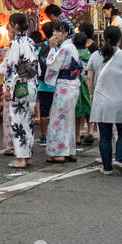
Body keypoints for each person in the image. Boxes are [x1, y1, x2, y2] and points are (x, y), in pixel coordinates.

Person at [89, 26, 122, 175]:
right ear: (119, 39)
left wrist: (91, 94)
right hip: (121, 99)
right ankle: (120, 160)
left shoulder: (95, 56)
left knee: (105, 135)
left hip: (101, 101)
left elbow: (89, 78)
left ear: (103, 39)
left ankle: (107, 167)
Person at [2, 13, 40, 169]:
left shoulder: (16, 43)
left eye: (10, 24)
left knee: (18, 120)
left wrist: (8, 87)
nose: (9, 27)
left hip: (19, 84)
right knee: (28, 120)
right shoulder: (30, 41)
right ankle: (27, 155)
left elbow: (11, 67)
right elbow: (37, 67)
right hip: (31, 83)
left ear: (15, 25)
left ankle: (21, 159)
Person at [42, 21, 81, 164]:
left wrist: (52, 49)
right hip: (72, 86)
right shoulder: (71, 47)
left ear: (65, 33)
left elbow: (52, 64)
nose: (55, 34)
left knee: (58, 119)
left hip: (65, 87)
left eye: (58, 31)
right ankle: (68, 150)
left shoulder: (64, 48)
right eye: (54, 31)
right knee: (68, 119)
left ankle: (59, 152)